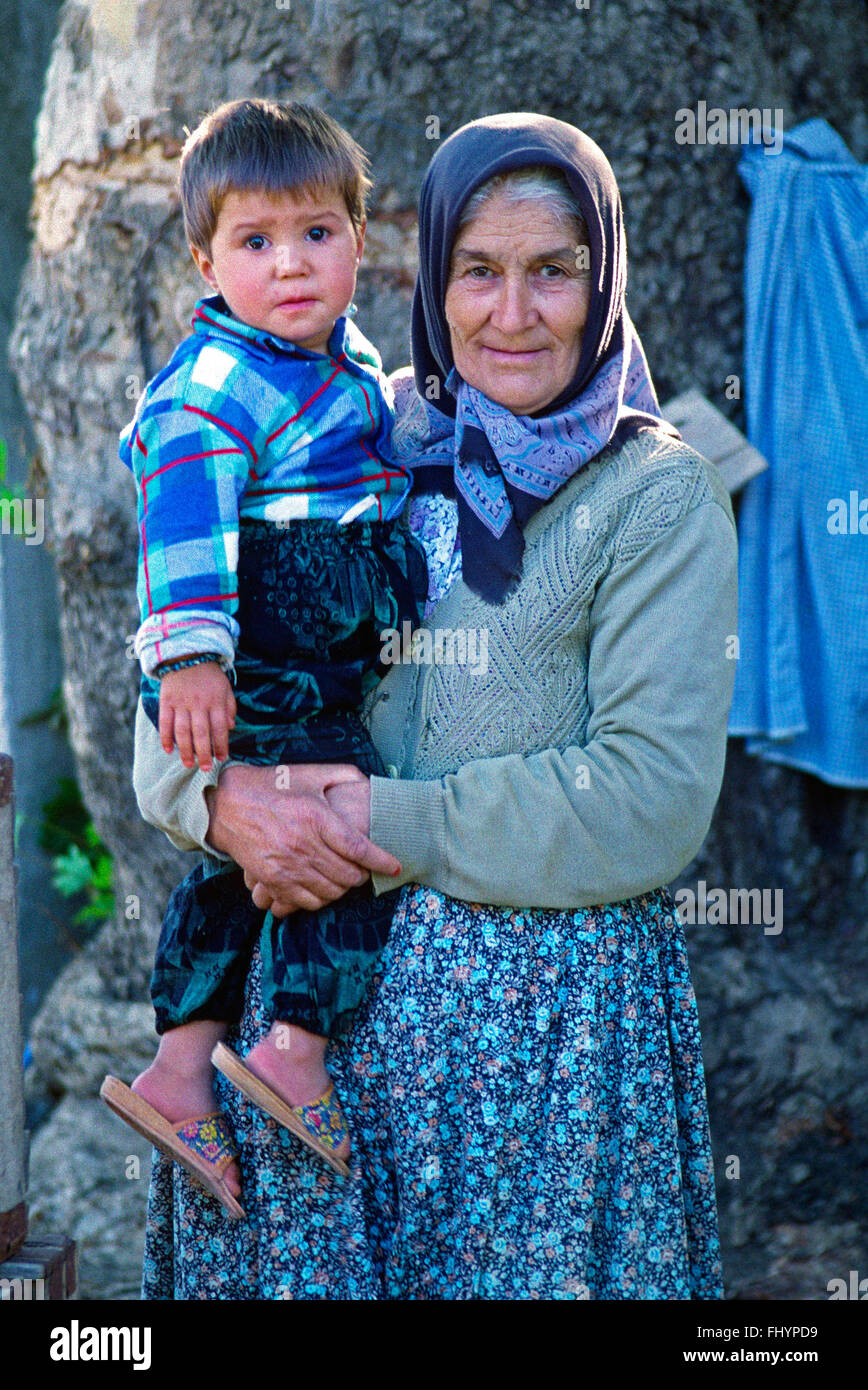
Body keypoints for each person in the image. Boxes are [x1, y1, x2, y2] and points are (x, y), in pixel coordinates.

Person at [133, 112, 738, 1299]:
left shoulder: (656, 497)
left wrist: (371, 822)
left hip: (540, 1065)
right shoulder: (352, 424)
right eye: (479, 269)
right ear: (433, 275)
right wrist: (219, 798)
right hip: (298, 1056)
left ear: (602, 274)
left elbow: (652, 801)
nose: (513, 312)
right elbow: (172, 674)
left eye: (553, 270)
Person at [101, 97, 428, 1212]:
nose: (290, 265)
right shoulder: (213, 384)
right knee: (339, 827)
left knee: (236, 874)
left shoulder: (347, 360)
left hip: (317, 654)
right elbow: (182, 515)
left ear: (359, 239)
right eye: (254, 241)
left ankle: (181, 1070)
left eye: (316, 233)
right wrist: (189, 659)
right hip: (269, 662)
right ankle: (293, 1046)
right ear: (205, 260)